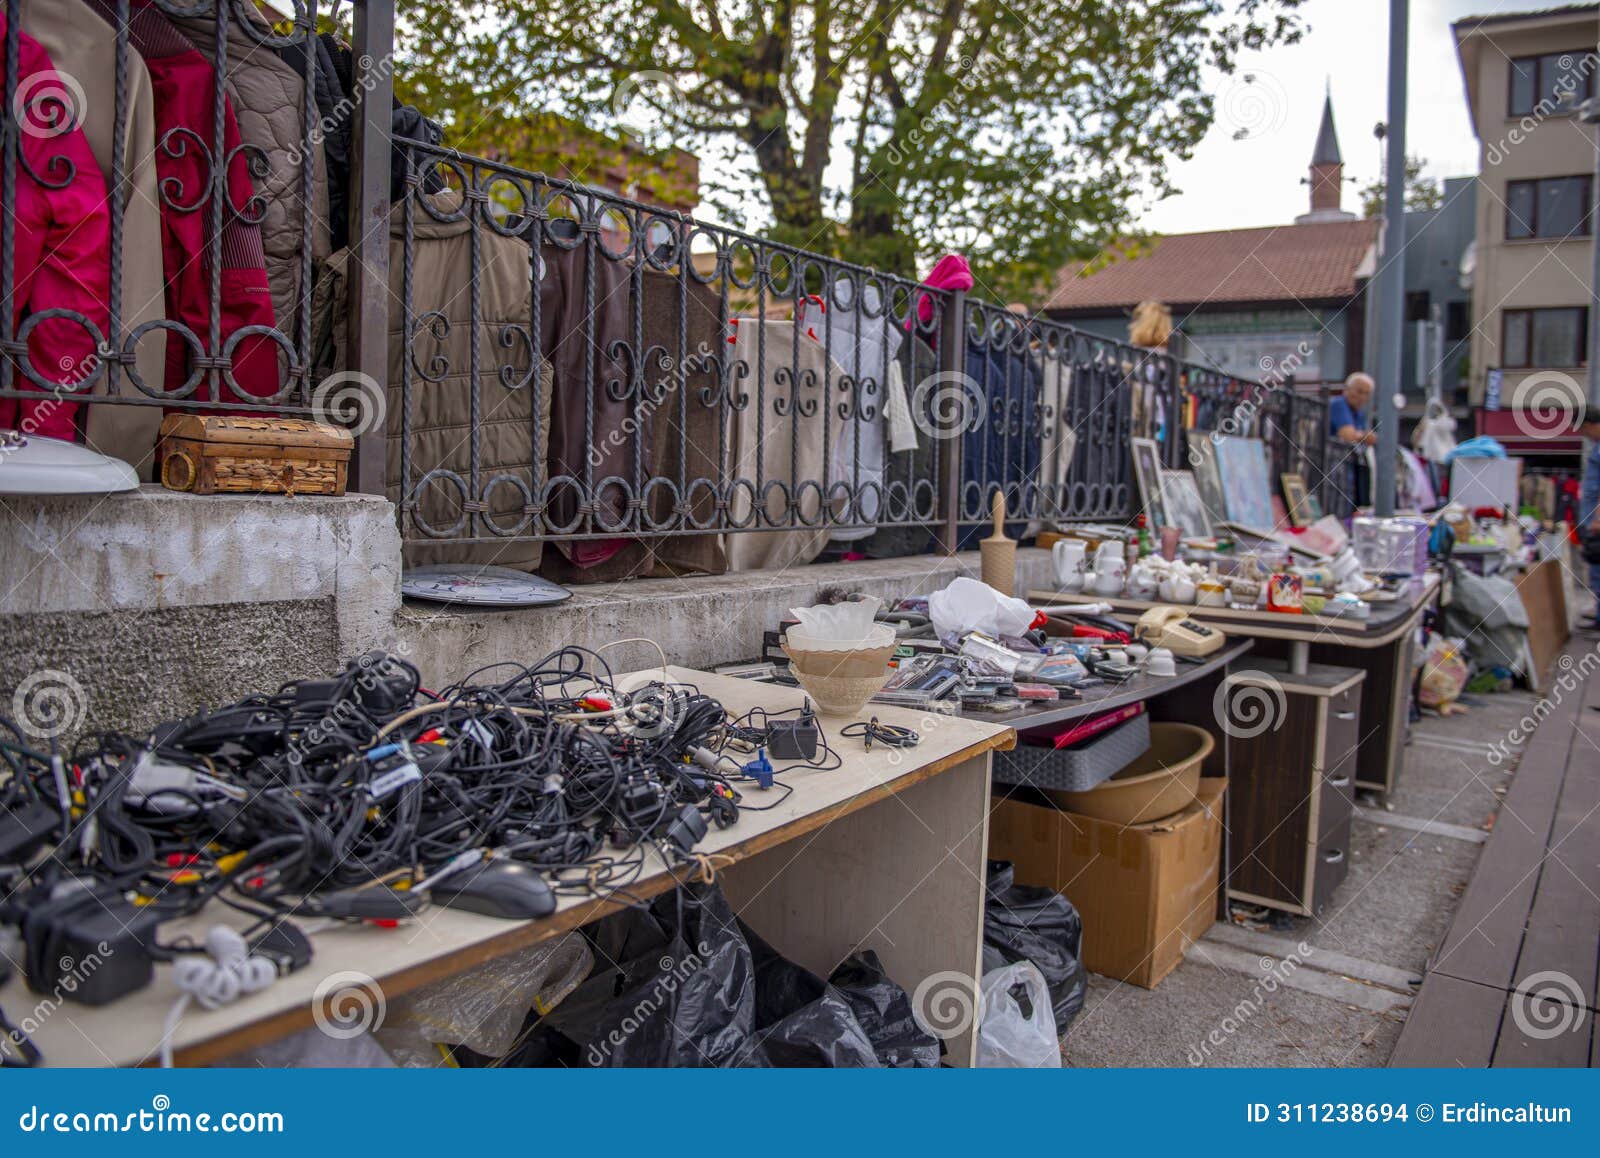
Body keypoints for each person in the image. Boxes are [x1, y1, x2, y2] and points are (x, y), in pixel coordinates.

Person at [1330, 371, 1377, 508]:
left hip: (1349, 468)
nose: (1362, 397)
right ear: (1347, 389)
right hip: (1333, 466)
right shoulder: (1339, 404)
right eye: (1359, 391)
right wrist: (1364, 436)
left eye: (1366, 393)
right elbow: (1348, 435)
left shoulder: (1359, 413)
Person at [1579, 405, 1600, 629]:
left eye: (1585, 430)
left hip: (1597, 521)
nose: (1585, 435)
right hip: (1593, 518)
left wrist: (1597, 519)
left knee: (1598, 566)